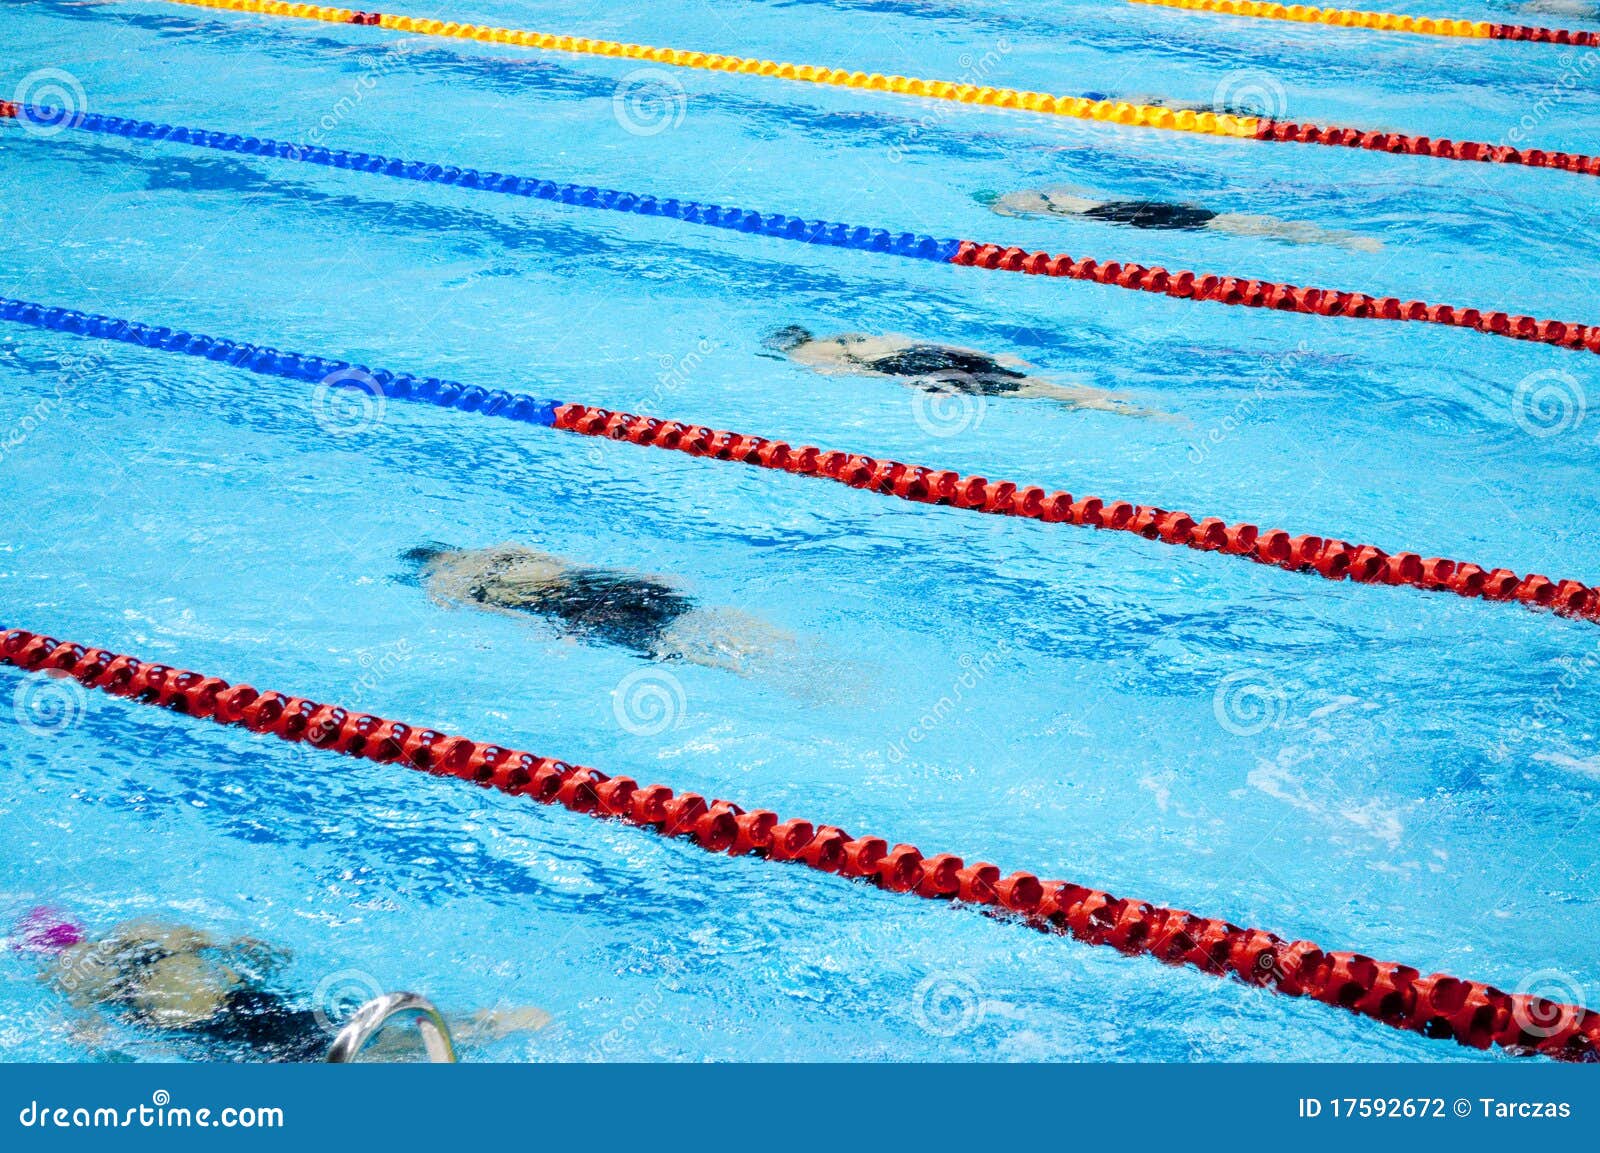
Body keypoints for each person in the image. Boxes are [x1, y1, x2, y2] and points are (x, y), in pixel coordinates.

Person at [14, 908, 550, 1062]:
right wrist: (260, 956)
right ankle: (480, 1024)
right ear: (75, 927)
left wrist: (100, 1049)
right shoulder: (142, 929)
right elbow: (234, 945)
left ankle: (481, 1028)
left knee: (334, 1057)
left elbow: (83, 1027)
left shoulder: (65, 975)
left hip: (201, 1034)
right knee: (329, 1038)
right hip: (239, 1000)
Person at [405, 544, 787, 674]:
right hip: (605, 586)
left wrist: (546, 632)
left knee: (671, 646)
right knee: (697, 619)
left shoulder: (442, 580)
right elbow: (572, 565)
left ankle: (741, 669)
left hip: (574, 608)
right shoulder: (503, 548)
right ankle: (779, 644)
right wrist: (640, 575)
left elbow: (495, 611)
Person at [760, 327, 1157, 417]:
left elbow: (854, 376)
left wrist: (913, 384)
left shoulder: (808, 357)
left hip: (910, 367)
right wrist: (991, 352)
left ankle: (1117, 408)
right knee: (1028, 383)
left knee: (1022, 393)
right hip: (931, 352)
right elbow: (918, 340)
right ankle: (1110, 398)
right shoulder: (852, 335)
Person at [982, 187, 1382, 252]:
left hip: (1133, 216)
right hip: (1140, 206)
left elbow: (1010, 206)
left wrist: (1000, 211)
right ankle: (1334, 238)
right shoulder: (1061, 195)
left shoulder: (1062, 212)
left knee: (1229, 226)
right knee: (1233, 222)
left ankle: (1334, 240)